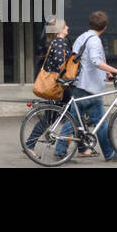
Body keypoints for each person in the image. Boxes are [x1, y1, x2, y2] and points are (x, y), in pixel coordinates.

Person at [59, 10, 117, 162]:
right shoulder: (95, 40)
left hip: (79, 85)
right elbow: (96, 61)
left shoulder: (82, 37)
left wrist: (106, 74)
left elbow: (83, 60)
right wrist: (116, 71)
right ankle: (109, 154)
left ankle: (60, 151)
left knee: (75, 121)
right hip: (89, 88)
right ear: (105, 27)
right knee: (99, 123)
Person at [26, 18, 74, 151]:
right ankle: (30, 145)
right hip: (58, 86)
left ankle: (81, 147)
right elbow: (61, 64)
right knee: (55, 118)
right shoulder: (59, 42)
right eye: (65, 27)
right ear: (59, 29)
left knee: (71, 115)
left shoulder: (56, 42)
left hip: (59, 85)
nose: (67, 28)